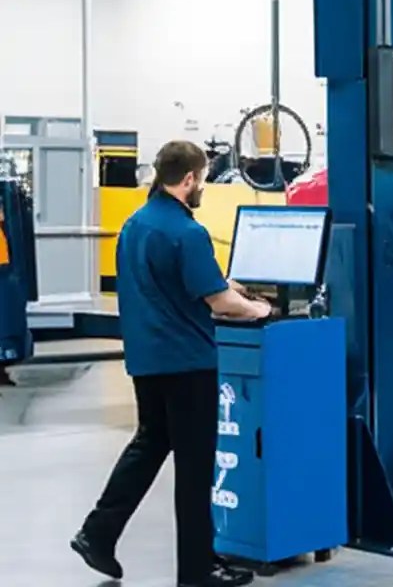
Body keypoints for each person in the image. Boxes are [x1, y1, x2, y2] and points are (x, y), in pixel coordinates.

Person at [71, 140, 271, 587]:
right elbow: (217, 300)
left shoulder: (136, 223)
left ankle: (97, 532)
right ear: (189, 179)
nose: (202, 186)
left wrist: (223, 283)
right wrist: (260, 310)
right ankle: (197, 573)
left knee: (149, 445)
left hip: (147, 360)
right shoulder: (187, 231)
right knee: (196, 468)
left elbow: (166, 282)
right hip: (188, 363)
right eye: (202, 178)